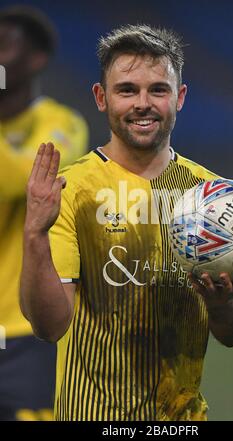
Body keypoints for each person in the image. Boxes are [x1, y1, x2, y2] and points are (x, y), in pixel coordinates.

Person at [20, 24, 233, 421]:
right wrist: (34, 233)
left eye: (158, 90)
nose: (143, 103)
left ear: (180, 97)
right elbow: (49, 327)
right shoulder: (72, 189)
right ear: (101, 98)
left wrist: (222, 307)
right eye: (127, 89)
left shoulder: (214, 199)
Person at [0, 6, 88, 421]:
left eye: (4, 44)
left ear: (35, 59)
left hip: (25, 328)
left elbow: (22, 177)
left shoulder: (62, 123)